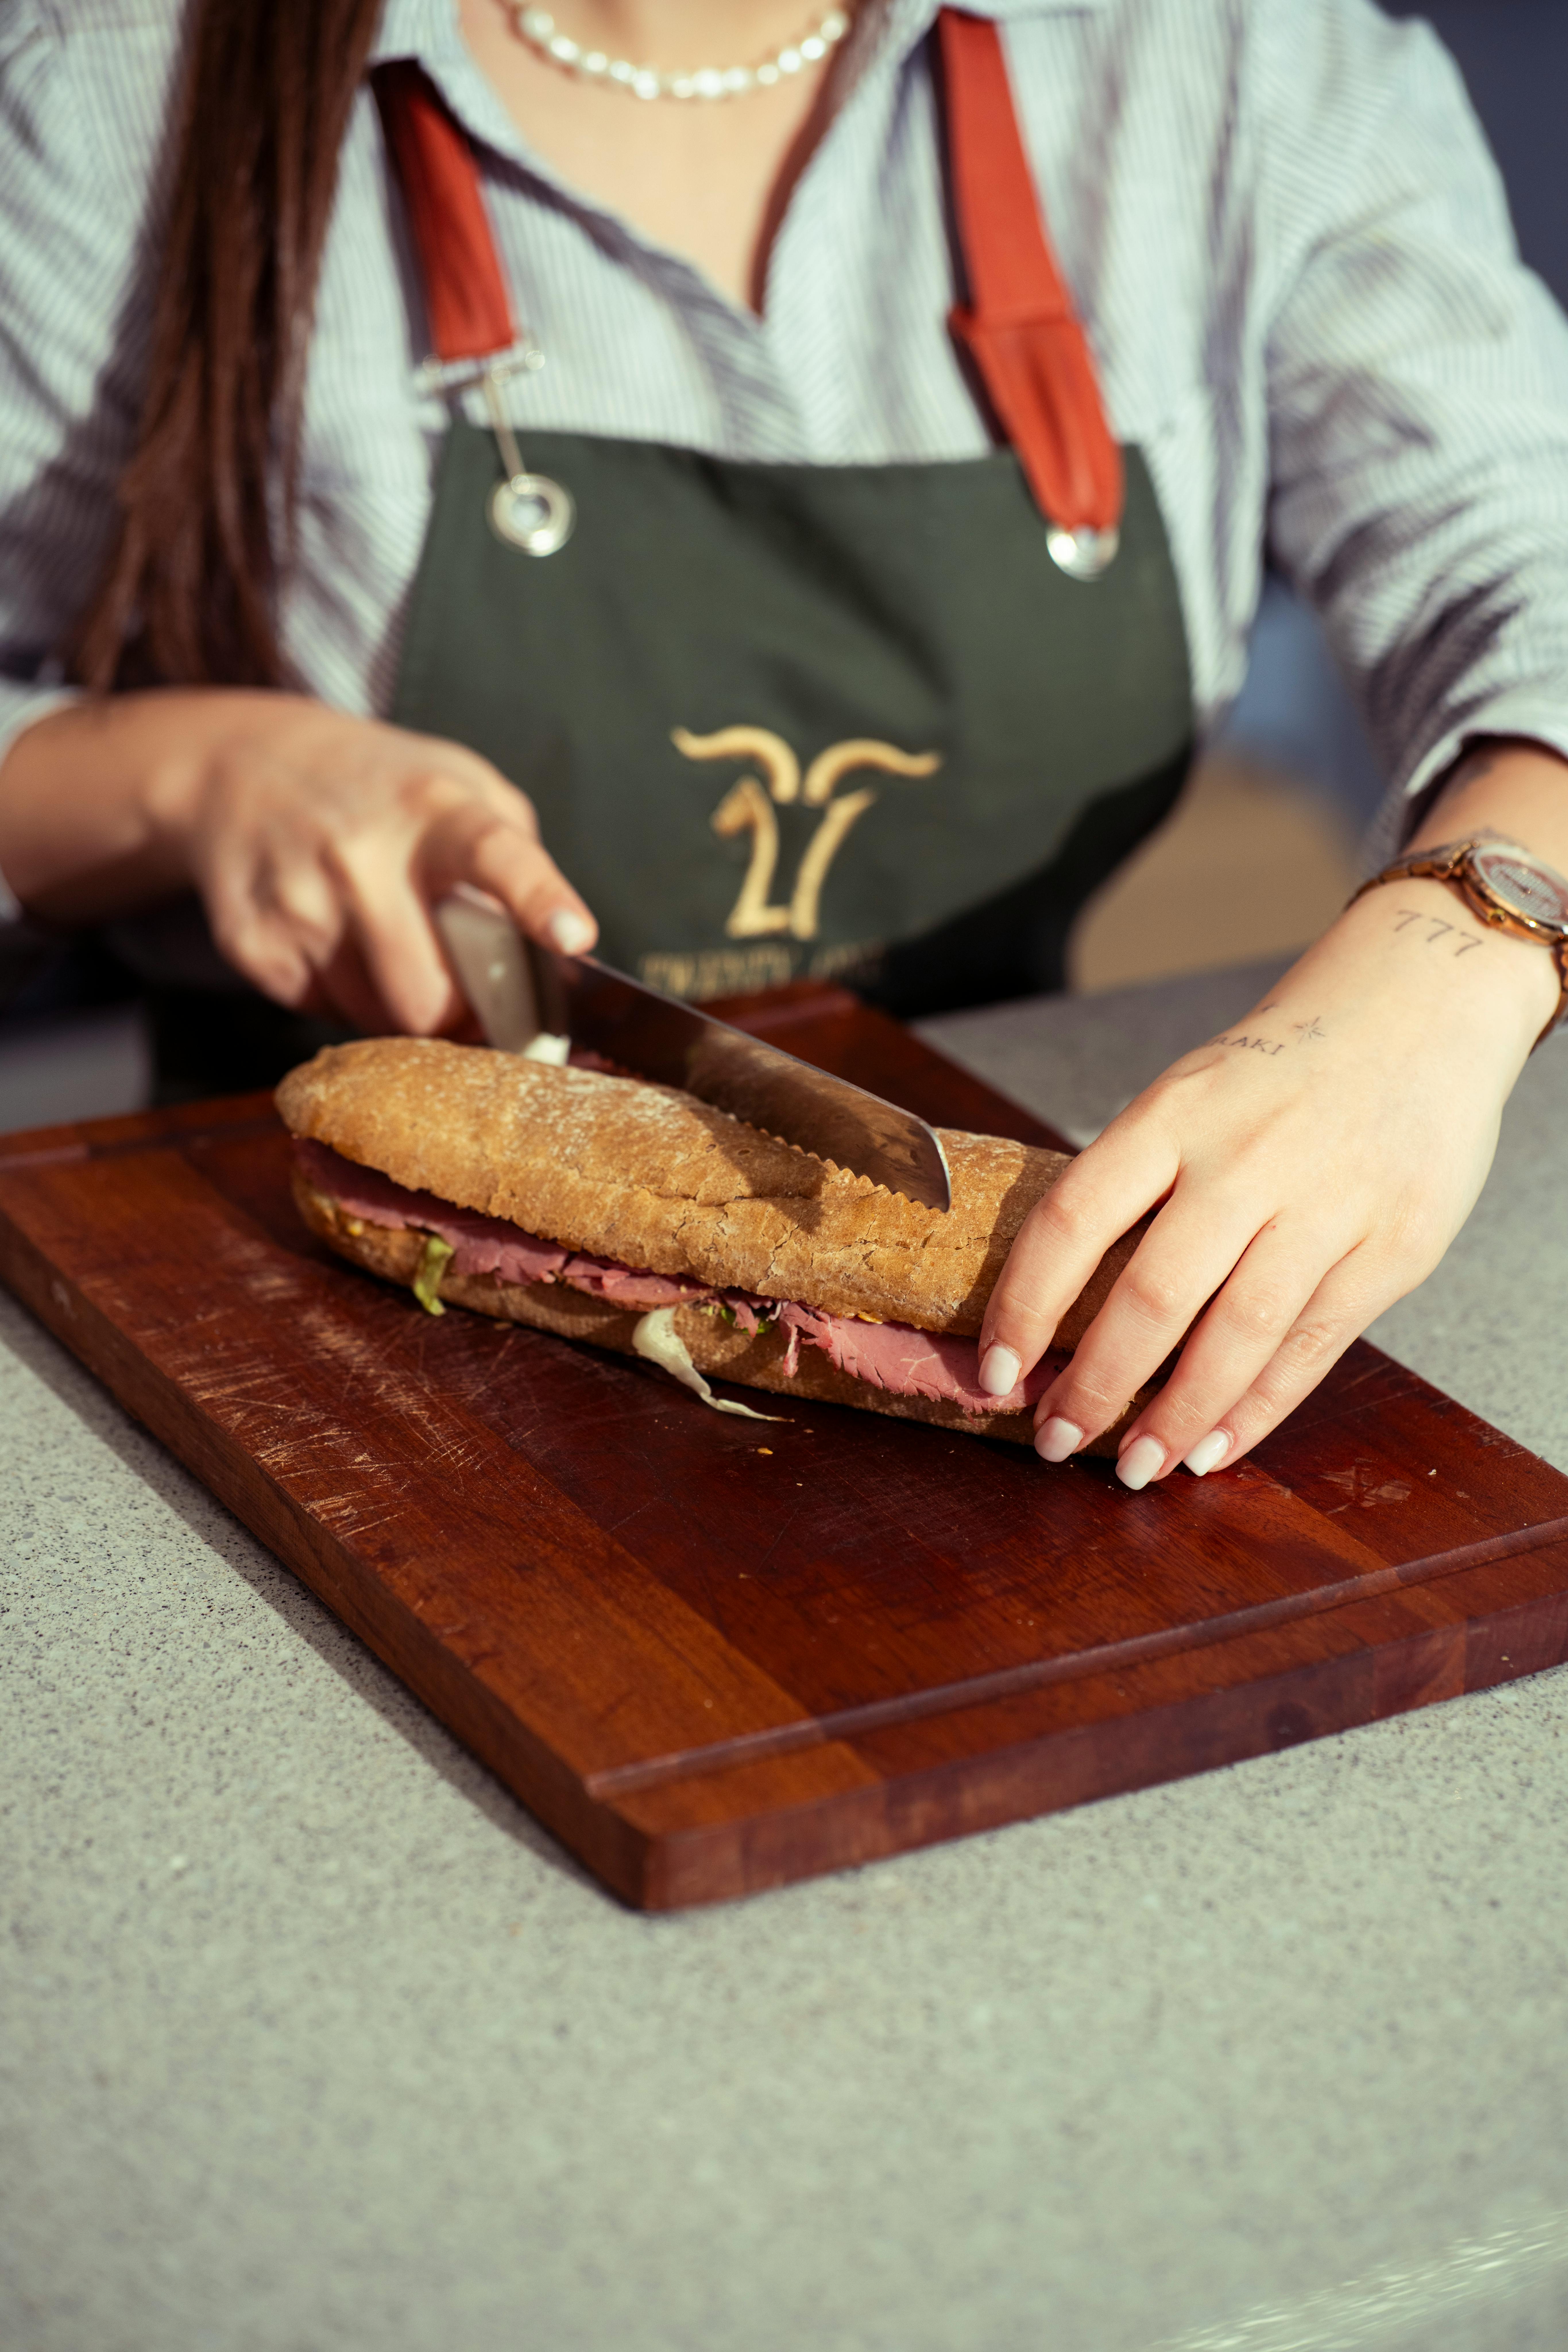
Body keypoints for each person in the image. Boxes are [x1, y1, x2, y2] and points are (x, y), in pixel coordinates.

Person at [3, 0, 1568, 1493]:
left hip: (998, 1111)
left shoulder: (1232, 60)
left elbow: (1526, 560)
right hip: (247, 1295)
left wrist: (1453, 955)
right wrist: (189, 778)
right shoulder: (108, 84)